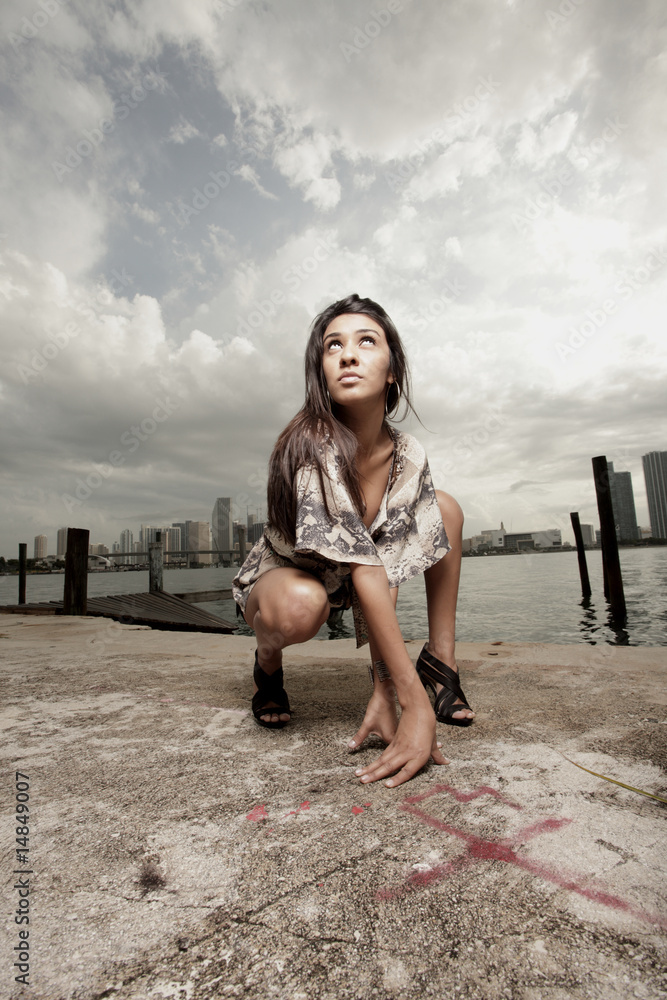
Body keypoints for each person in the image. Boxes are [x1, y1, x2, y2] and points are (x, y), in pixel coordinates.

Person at [232, 293, 473, 788]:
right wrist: (411, 701)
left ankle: (441, 660)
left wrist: (384, 690)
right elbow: (366, 568)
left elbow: (385, 567)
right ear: (320, 372)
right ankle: (267, 664)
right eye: (333, 345)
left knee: (445, 510)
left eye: (366, 341)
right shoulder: (309, 445)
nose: (347, 355)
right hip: (292, 573)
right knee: (300, 607)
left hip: (360, 575)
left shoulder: (408, 453)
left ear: (392, 371)